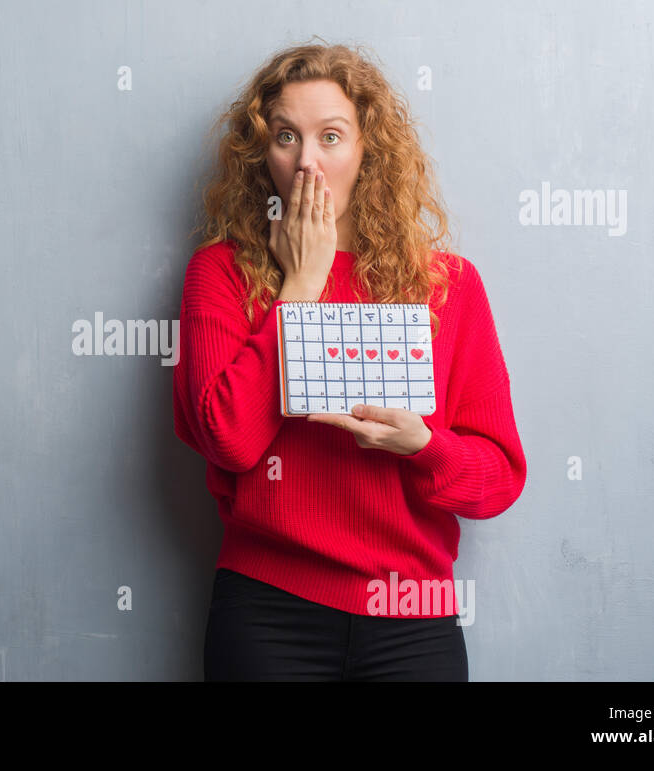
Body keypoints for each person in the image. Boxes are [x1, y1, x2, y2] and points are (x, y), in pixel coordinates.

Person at [173, 41, 528, 681]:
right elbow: (229, 440)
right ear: (263, 154)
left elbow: (498, 477)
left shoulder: (446, 285)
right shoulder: (221, 273)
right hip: (268, 611)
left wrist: (423, 446)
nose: (307, 161)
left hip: (411, 614)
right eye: (286, 136)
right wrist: (300, 287)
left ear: (368, 150)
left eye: (331, 137)